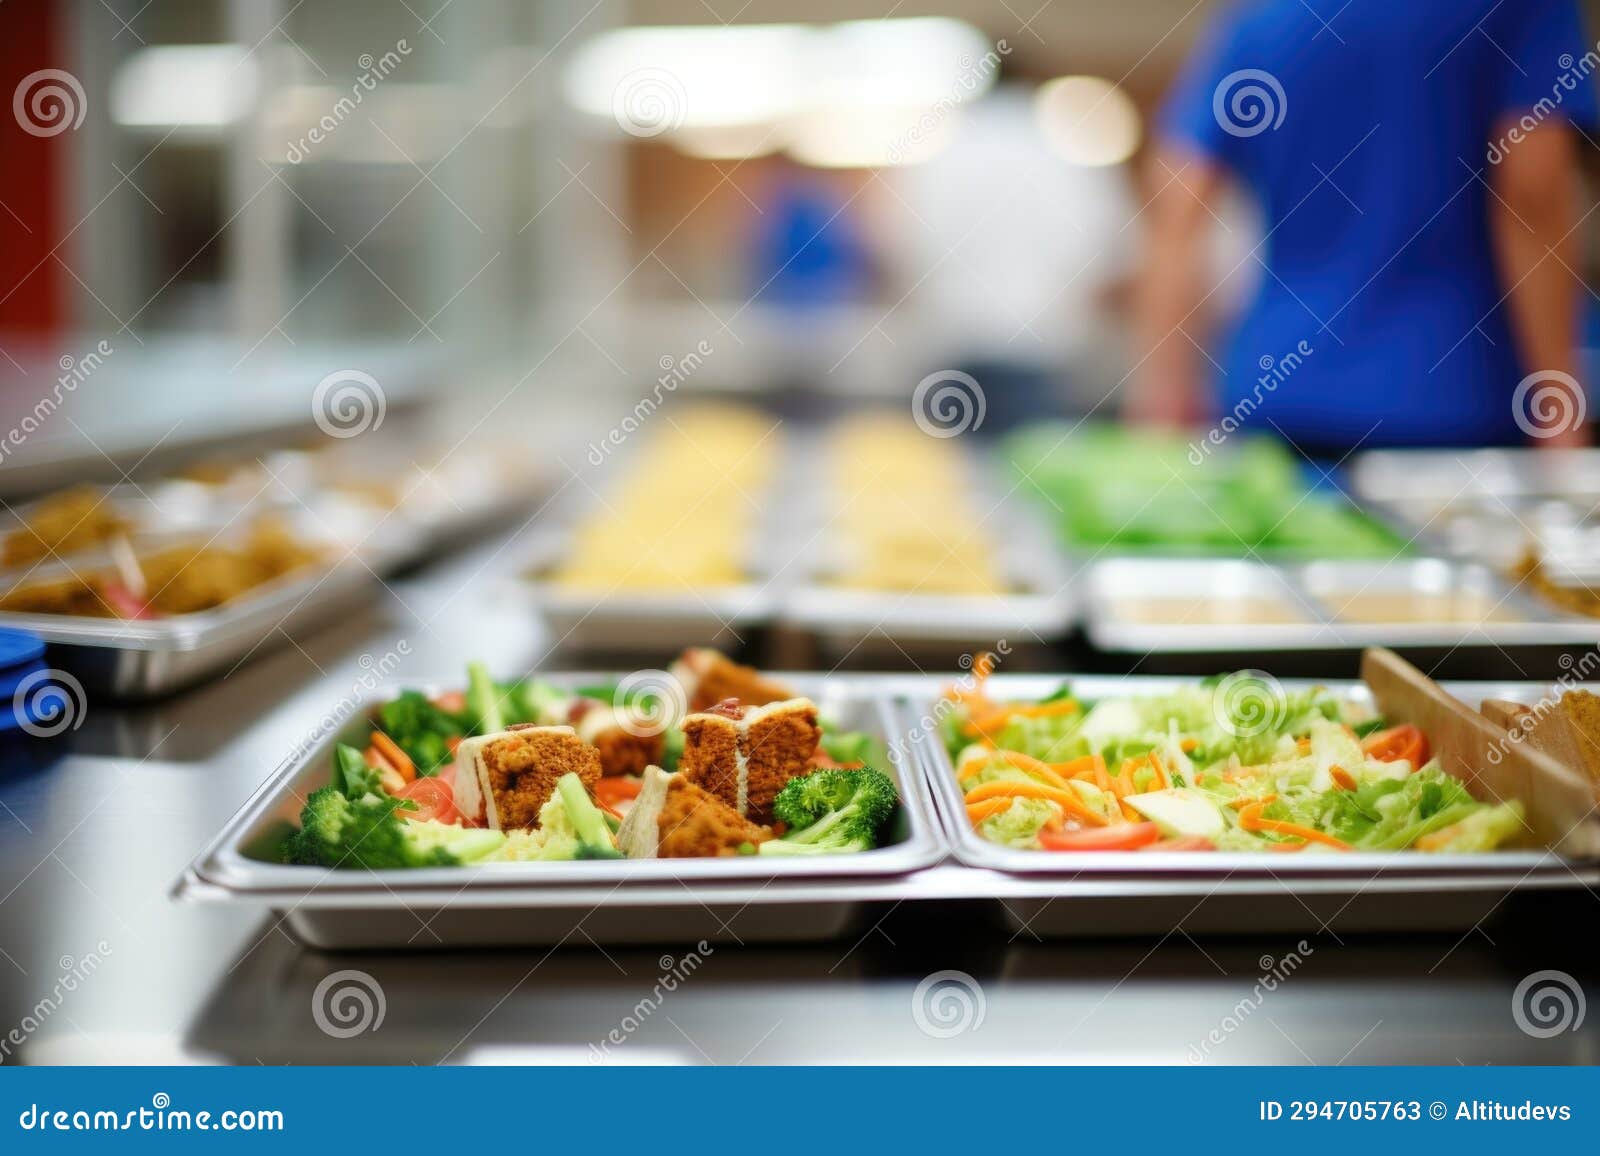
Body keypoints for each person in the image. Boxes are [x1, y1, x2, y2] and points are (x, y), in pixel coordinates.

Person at [1128, 0, 1597, 453]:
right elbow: (1533, 194)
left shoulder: (1263, 19)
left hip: (1277, 401)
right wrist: (1559, 412)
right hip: (1449, 405)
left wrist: (1163, 405)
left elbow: (1176, 209)